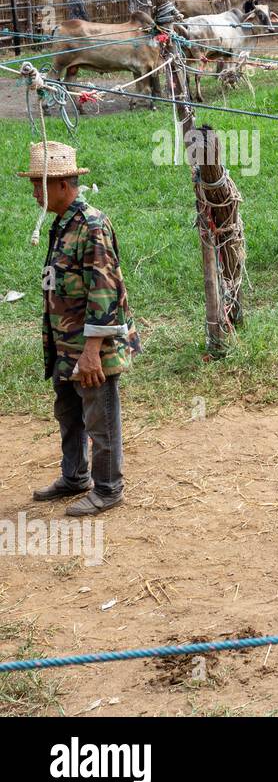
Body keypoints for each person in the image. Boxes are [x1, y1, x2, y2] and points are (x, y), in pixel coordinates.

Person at [21, 142, 140, 515]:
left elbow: (105, 291)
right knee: (68, 412)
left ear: (62, 185)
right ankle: (74, 476)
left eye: (40, 185)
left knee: (99, 418)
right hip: (65, 343)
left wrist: (91, 352)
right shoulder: (63, 225)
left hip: (90, 348)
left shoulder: (90, 224)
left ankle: (108, 488)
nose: (35, 192)